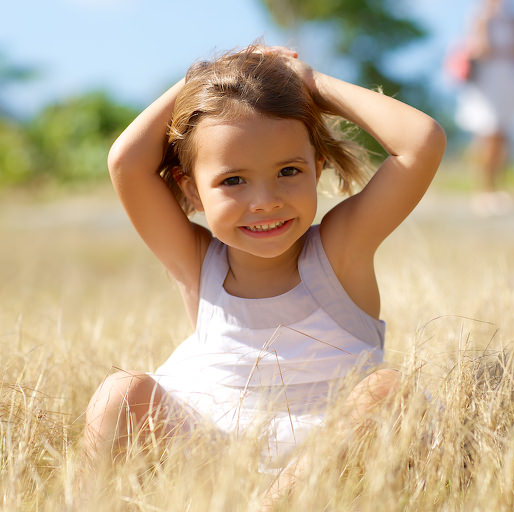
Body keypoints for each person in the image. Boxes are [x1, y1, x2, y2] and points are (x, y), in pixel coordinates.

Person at [82, 44, 445, 503]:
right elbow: (126, 164)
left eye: (289, 170)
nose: (265, 200)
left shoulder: (338, 251)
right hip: (213, 449)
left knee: (388, 390)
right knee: (121, 390)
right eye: (233, 180)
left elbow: (421, 140)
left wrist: (311, 84)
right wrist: (203, 80)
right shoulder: (198, 263)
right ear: (191, 190)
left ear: (319, 167)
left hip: (325, 453)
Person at [454, 0, 514, 216]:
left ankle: (497, 189)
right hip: (487, 83)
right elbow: (482, 48)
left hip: (506, 81)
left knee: (502, 138)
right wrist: (487, 20)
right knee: (487, 138)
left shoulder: (510, 17)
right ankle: (482, 191)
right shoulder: (481, 14)